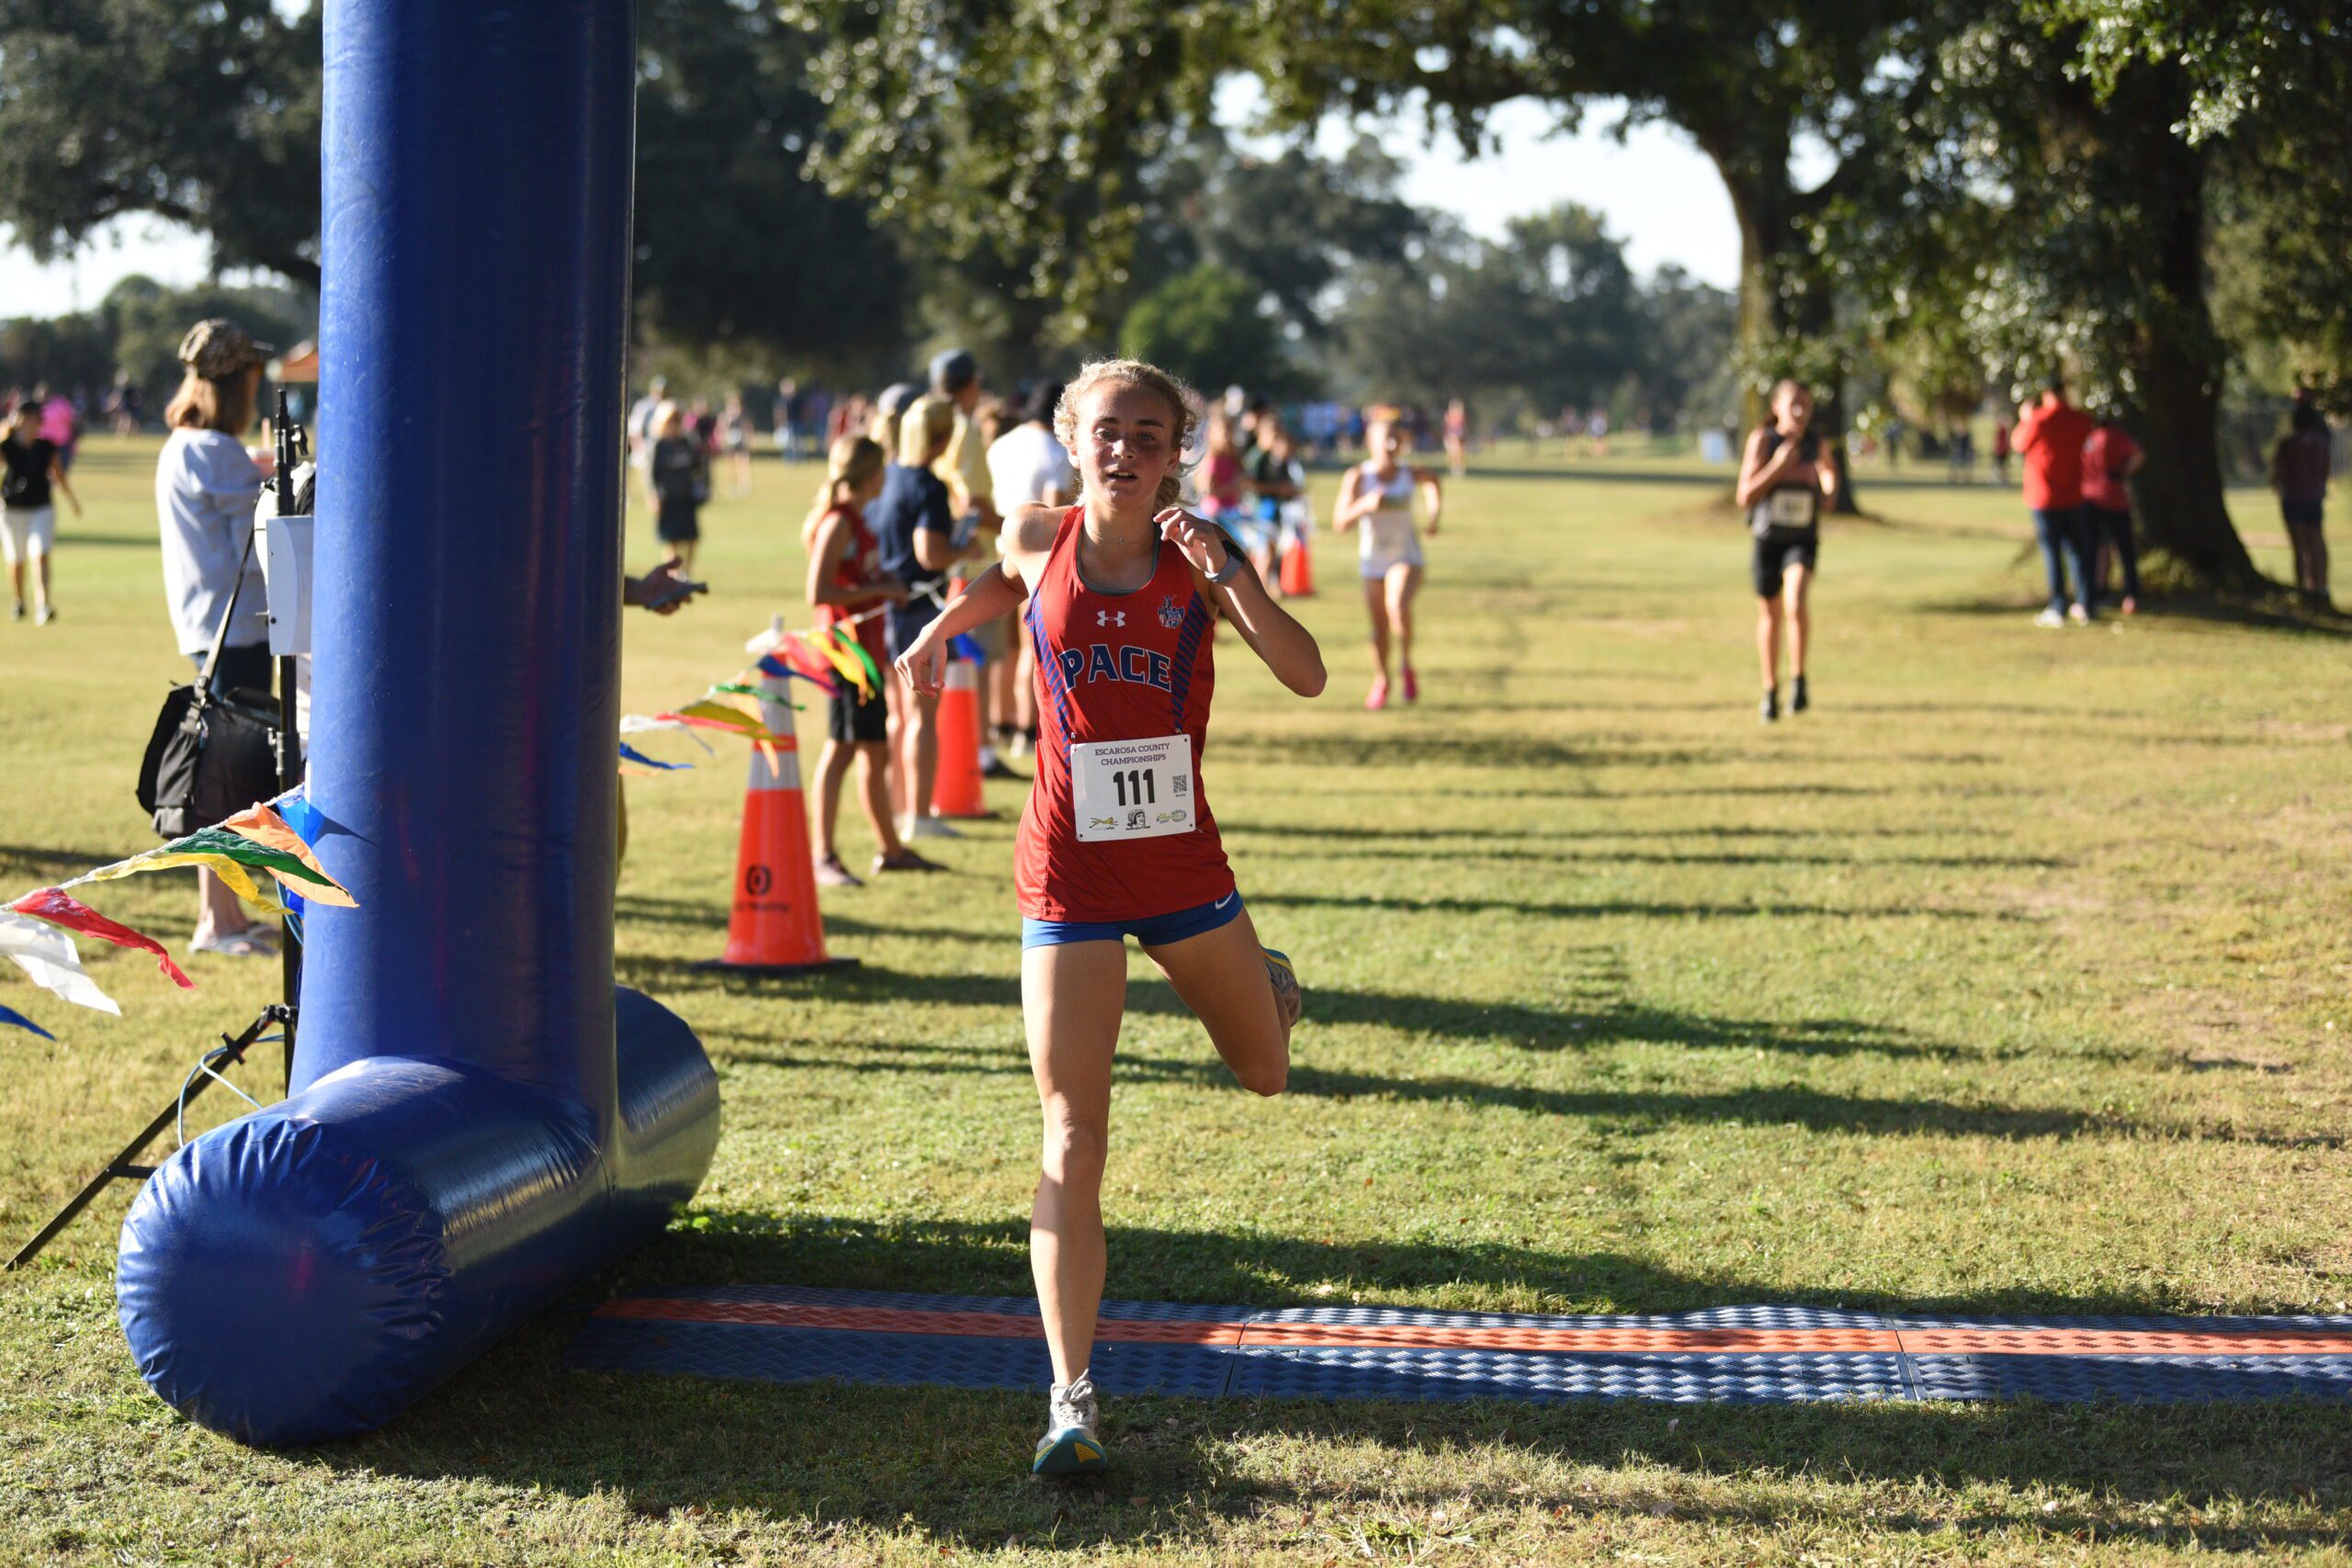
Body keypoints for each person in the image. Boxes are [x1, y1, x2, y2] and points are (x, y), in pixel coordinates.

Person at [892, 356, 1323, 1476]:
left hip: (1183, 873)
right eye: (1105, 431)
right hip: (1068, 876)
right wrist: (940, 632)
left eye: (1147, 432)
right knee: (1071, 1133)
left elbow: (1307, 672)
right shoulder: (1038, 533)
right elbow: (1003, 582)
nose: (1124, 449)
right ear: (1070, 441)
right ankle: (1070, 1399)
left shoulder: (1202, 554)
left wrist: (1232, 577)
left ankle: (1265, 980)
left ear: (1177, 449)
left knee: (1267, 1072)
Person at [155, 319, 278, 957]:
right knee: (225, 781)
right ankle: (216, 920)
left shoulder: (186, 444)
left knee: (227, 778)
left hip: (214, 629)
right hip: (231, 633)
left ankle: (224, 912)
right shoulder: (210, 450)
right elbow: (268, 523)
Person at [801, 434, 935, 883]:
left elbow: (857, 576)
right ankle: (823, 855)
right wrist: (880, 590)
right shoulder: (837, 522)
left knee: (874, 755)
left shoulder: (857, 520)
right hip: (845, 656)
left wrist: (887, 585)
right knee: (840, 751)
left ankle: (890, 849)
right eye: (881, 469)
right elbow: (817, 592)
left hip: (868, 656)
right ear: (869, 473)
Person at [870, 393, 969, 839]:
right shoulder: (928, 485)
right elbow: (930, 554)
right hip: (918, 609)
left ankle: (897, 805)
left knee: (898, 716)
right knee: (922, 718)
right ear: (944, 436)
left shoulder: (889, 475)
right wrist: (966, 548)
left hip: (888, 606)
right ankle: (920, 817)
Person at [930, 348, 1015, 780]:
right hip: (974, 559)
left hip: (958, 559)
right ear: (972, 385)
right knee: (977, 660)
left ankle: (972, 748)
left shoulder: (937, 424)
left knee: (969, 659)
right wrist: (1020, 528)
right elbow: (973, 503)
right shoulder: (963, 427)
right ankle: (979, 752)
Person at [1735, 378, 1840, 723]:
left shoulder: (1815, 444)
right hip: (1768, 537)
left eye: (1805, 406)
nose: (1799, 411)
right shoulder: (1763, 441)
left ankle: (1799, 680)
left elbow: (1828, 474)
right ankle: (1770, 689)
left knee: (1795, 601)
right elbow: (1745, 495)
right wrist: (1778, 467)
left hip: (1801, 537)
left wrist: (1828, 485)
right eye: (1793, 404)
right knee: (1771, 614)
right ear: (1776, 407)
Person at [987, 379, 1077, 761]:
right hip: (1037, 558)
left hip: (998, 552)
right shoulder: (1056, 451)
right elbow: (1053, 513)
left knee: (1001, 650)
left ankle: (1000, 721)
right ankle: (1027, 728)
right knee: (1032, 651)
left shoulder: (1001, 444)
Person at [1331, 412, 1442, 710]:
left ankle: (1406, 663)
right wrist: (1364, 505)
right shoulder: (1358, 477)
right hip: (1372, 561)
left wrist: (1434, 516)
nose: (1391, 444)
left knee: (1397, 606)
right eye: (1385, 438)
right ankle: (1382, 680)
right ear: (1370, 442)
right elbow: (1339, 523)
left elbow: (1433, 481)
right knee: (1379, 629)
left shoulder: (1409, 473)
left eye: (1396, 438)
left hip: (1407, 557)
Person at [2013, 375, 2098, 626]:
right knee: (2078, 552)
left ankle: (2058, 606)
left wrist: (2025, 418)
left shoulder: (2039, 420)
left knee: (2052, 552)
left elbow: (2018, 443)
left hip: (2044, 498)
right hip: (2073, 495)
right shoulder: (2080, 419)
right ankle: (2085, 604)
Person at [3, 400, 80, 625]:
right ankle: (19, 601)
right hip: (12, 510)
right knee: (16, 559)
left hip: (41, 507)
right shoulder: (7, 446)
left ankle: (43, 605)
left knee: (40, 554)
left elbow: (59, 476)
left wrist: (72, 500)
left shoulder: (46, 446)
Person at [2082, 410, 2145, 615]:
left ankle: (2095, 592)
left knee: (2096, 548)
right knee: (2124, 548)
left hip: (2090, 498)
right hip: (2115, 498)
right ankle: (2131, 595)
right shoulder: (2115, 435)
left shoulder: (2088, 438)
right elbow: (2138, 455)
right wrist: (2123, 474)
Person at [2272, 400, 2333, 610]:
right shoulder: (2321, 444)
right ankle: (2320, 586)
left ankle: (2303, 588)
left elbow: (2278, 472)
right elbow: (2325, 471)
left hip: (2292, 498)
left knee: (2299, 546)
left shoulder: (2287, 444)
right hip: (2314, 498)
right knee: (2316, 540)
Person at [1238, 406, 1302, 592]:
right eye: (1272, 436)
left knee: (1271, 550)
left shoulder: (1276, 458)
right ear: (1261, 435)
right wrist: (1277, 489)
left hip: (1273, 510)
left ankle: (1263, 587)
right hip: (1258, 511)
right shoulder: (1256, 458)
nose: (1275, 441)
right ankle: (1260, 589)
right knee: (1263, 550)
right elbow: (1249, 484)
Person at [643, 401, 705, 572]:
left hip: (686, 497)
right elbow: (650, 474)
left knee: (691, 538)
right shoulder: (658, 446)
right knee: (672, 540)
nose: (673, 425)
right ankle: (672, 574)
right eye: (670, 421)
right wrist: (653, 496)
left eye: (677, 420)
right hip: (668, 499)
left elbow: (698, 467)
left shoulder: (686, 443)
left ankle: (686, 573)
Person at [719, 391, 752, 497]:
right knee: (731, 465)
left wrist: (749, 440)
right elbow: (723, 428)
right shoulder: (726, 416)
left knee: (743, 463)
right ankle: (733, 485)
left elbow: (747, 428)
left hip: (741, 441)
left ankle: (744, 485)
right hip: (731, 442)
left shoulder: (743, 416)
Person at [1443, 398, 1469, 477]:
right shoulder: (1449, 415)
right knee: (1453, 453)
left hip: (1458, 434)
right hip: (1451, 434)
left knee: (1459, 452)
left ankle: (1458, 468)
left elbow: (1464, 426)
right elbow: (1446, 426)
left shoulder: (1461, 416)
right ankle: (1454, 468)